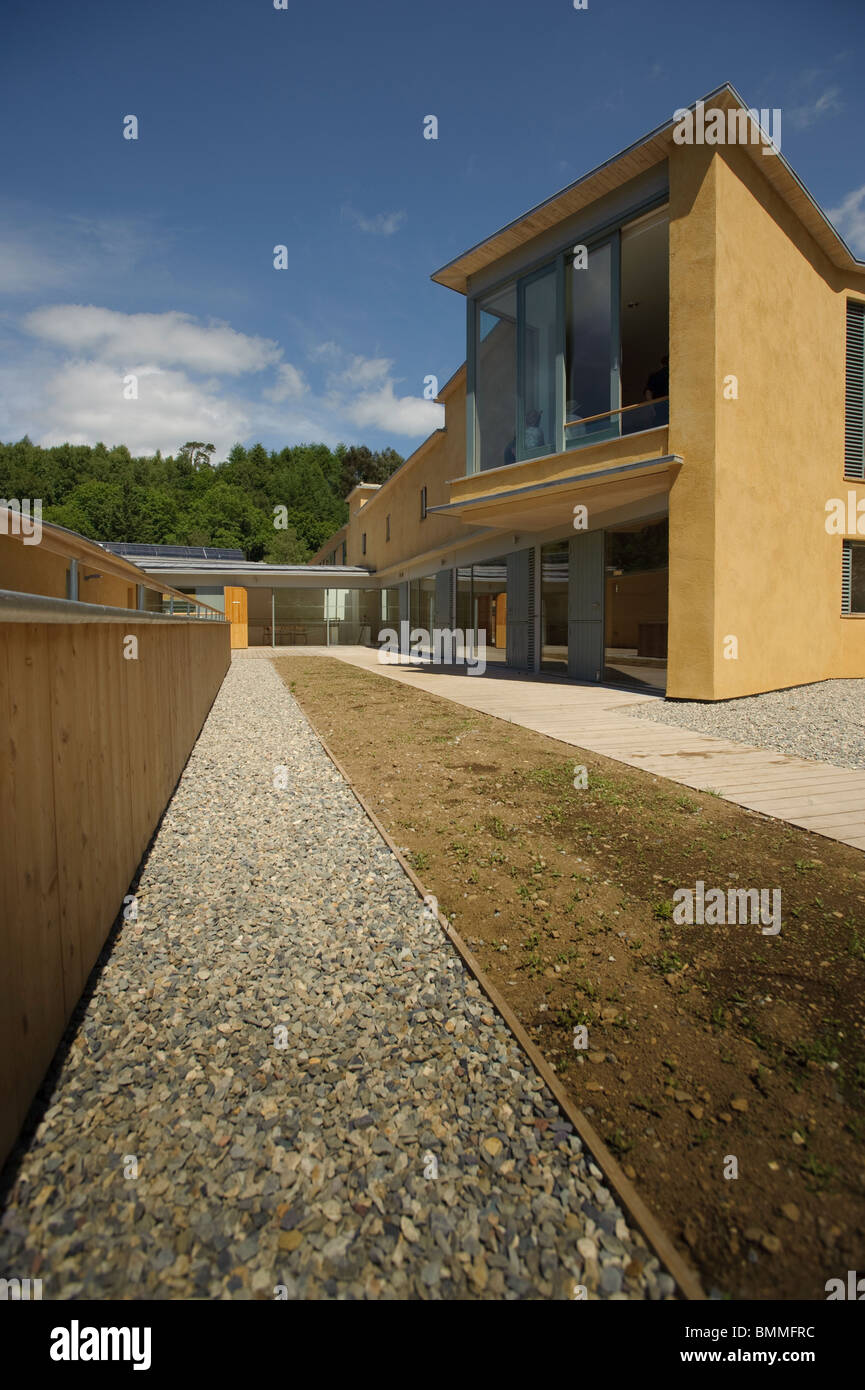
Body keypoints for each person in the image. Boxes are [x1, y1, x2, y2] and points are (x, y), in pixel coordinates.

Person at [643, 355, 669, 426]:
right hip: (673, 409)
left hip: (659, 408)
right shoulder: (675, 375)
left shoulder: (654, 376)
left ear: (661, 364)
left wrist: (652, 407)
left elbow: (648, 392)